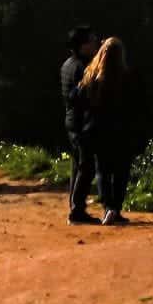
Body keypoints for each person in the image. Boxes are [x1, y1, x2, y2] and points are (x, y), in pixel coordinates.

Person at [76, 36, 140, 224]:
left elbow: (78, 98)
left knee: (102, 170)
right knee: (121, 172)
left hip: (98, 130)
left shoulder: (92, 76)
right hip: (122, 130)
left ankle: (108, 207)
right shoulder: (127, 76)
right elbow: (136, 107)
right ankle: (117, 208)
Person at [61, 25, 99, 225]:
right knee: (87, 167)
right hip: (81, 123)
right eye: (92, 40)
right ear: (83, 45)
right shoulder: (82, 68)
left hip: (71, 121)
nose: (96, 43)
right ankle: (77, 210)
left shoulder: (68, 64)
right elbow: (81, 96)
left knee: (78, 165)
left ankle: (75, 206)